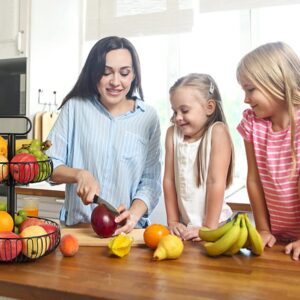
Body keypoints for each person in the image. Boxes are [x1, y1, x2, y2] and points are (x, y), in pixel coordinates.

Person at [46, 36, 162, 234]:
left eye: (124, 73)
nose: (116, 82)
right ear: (94, 73)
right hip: (79, 231)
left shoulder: (148, 117)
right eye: (106, 72)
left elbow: (151, 182)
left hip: (127, 233)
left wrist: (133, 214)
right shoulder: (75, 108)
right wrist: (79, 174)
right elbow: (48, 165)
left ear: (134, 75)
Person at [236, 41, 300, 260]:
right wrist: (263, 229)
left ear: (278, 81)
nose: (245, 98)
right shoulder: (253, 124)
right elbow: (254, 180)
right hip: (278, 240)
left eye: (250, 89)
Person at [163, 73, 234, 241]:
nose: (178, 117)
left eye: (184, 110)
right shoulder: (172, 134)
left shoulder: (217, 132)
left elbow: (216, 182)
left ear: (209, 107)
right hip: (188, 229)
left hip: (218, 226)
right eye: (175, 111)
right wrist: (173, 221)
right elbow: (169, 180)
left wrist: (209, 228)